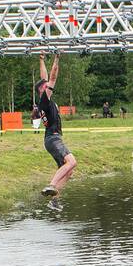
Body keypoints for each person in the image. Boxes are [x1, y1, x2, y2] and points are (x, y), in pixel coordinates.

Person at [36, 54, 78, 204]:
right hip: (53, 138)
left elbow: (45, 77)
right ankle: (51, 185)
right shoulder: (44, 100)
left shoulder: (43, 100)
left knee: (69, 171)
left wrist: (41, 59)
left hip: (51, 139)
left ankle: (54, 199)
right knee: (72, 162)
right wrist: (57, 58)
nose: (48, 84)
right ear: (43, 89)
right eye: (45, 85)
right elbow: (52, 78)